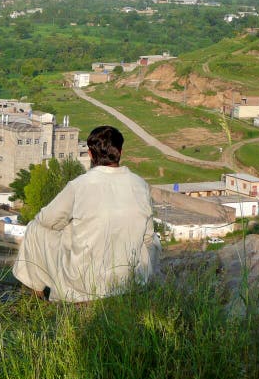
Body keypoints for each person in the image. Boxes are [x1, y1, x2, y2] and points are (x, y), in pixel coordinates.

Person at [12, 125, 161, 303]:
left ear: (90, 155)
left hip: (83, 283)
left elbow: (46, 220)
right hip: (128, 278)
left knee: (35, 229)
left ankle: (35, 294)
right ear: (120, 152)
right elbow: (148, 238)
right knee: (152, 240)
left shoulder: (79, 185)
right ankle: (139, 288)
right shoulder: (140, 185)